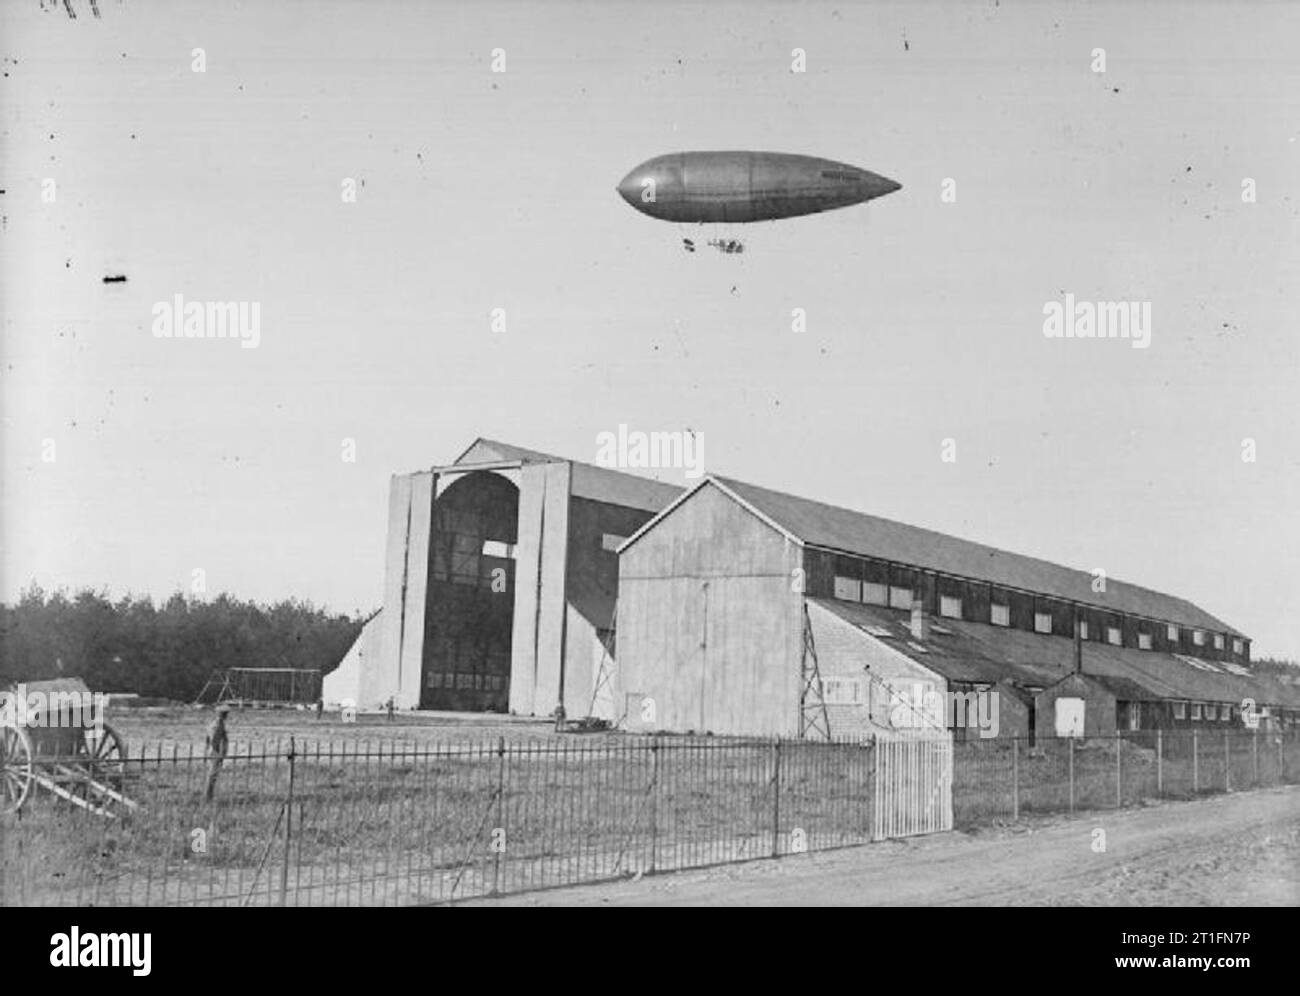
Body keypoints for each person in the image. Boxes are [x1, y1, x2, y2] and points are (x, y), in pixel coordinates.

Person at [204, 705, 230, 802]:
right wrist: (219, 752)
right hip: (215, 752)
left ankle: (209, 795)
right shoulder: (217, 725)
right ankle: (208, 796)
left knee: (213, 775)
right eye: (225, 714)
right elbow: (213, 739)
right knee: (212, 775)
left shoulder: (216, 723)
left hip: (214, 751)